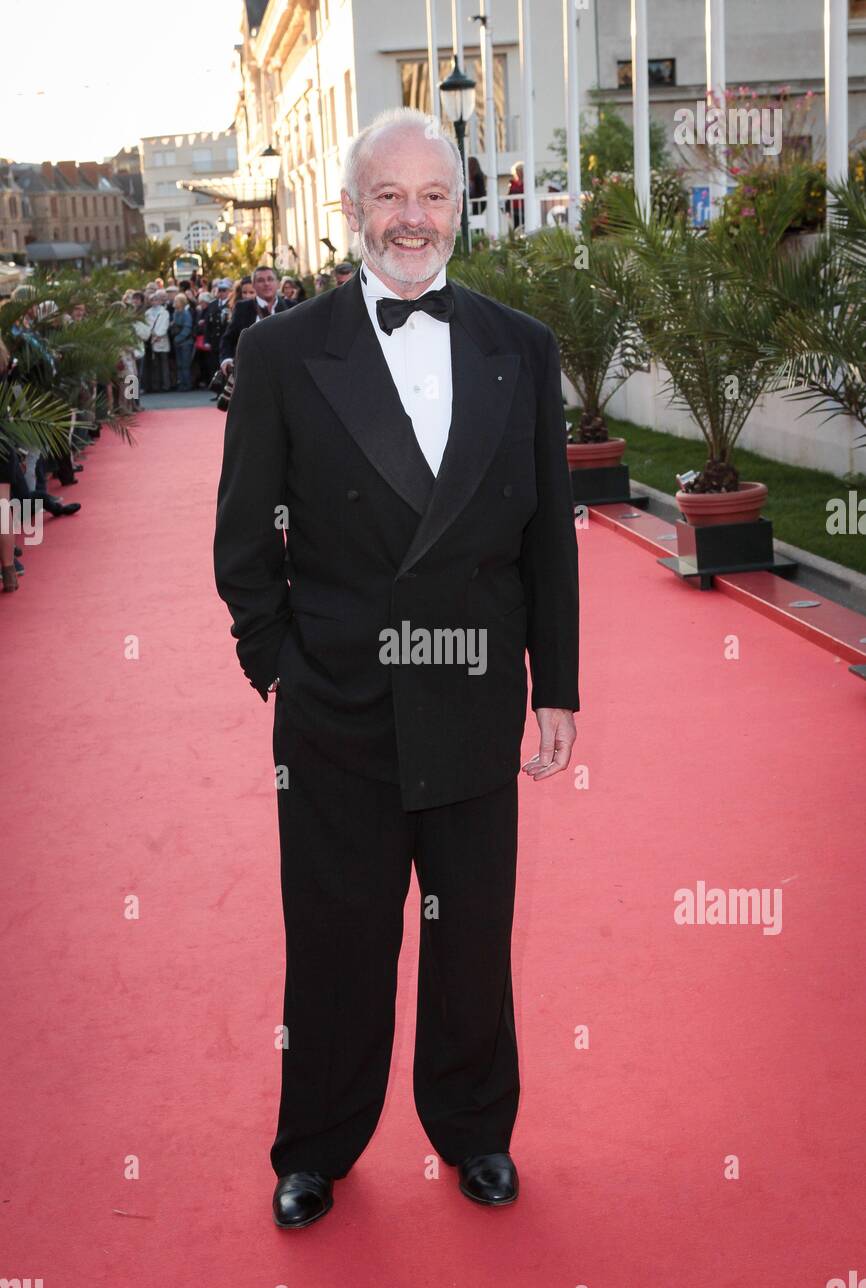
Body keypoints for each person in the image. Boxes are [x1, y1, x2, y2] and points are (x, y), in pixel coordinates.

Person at [213, 105, 579, 1231]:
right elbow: (241, 542)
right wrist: (284, 667)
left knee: (469, 934)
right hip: (337, 711)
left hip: (471, 698)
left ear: (458, 208)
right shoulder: (281, 352)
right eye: (388, 195)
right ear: (350, 210)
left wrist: (554, 684)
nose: (411, 218)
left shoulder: (520, 347)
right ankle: (316, 1145)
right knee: (336, 936)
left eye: (432, 195)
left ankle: (475, 1131)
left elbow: (545, 539)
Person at [218, 266, 289, 374]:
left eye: (270, 279)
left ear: (277, 284)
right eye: (261, 280)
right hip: (251, 373)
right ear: (254, 285)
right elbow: (229, 338)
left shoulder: (291, 307)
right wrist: (226, 359)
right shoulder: (242, 308)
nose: (266, 283)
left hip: (283, 371)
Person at [170, 292, 194, 391]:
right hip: (177, 342)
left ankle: (187, 384)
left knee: (185, 365)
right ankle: (181, 384)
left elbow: (187, 328)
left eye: (176, 301)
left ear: (182, 302)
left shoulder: (186, 313)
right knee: (179, 365)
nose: (174, 302)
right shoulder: (175, 313)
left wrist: (178, 338)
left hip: (185, 343)